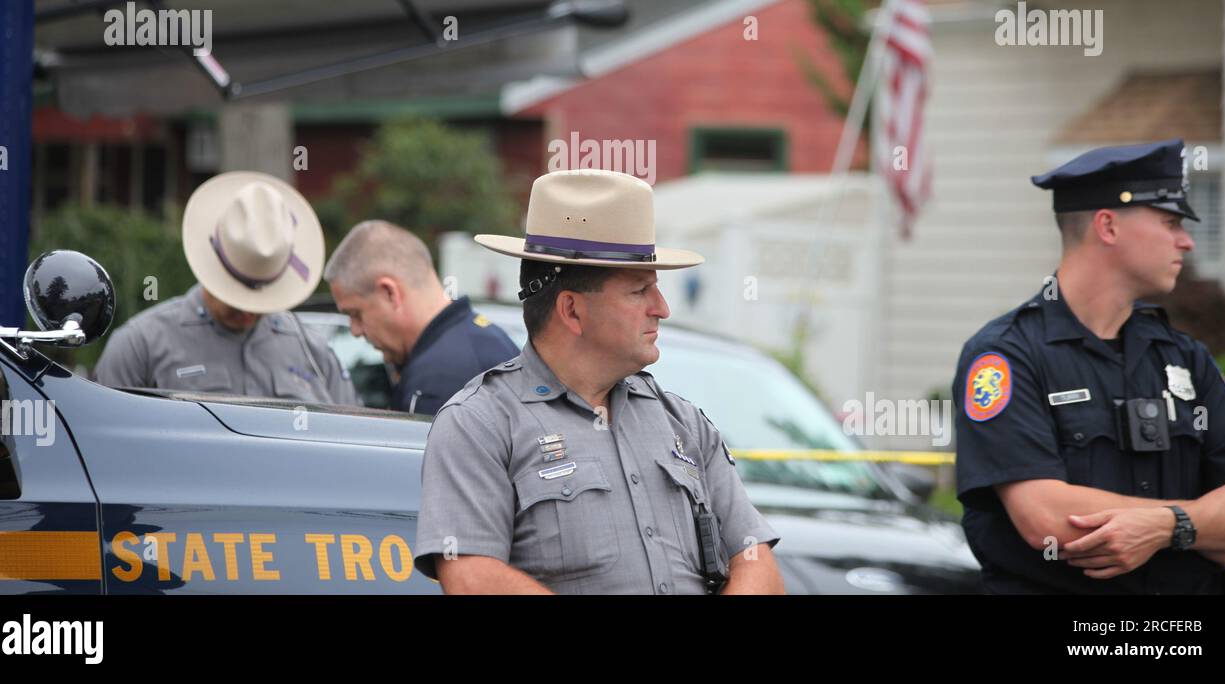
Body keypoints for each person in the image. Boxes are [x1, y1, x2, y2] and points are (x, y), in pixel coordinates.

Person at [414, 168, 784, 594]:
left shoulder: (683, 421)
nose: (661, 308)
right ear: (571, 311)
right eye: (639, 290)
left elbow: (757, 561)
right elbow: (471, 577)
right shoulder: (479, 424)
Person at [952, 139, 1225, 594]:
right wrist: (1201, 524)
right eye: (1170, 222)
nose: (1186, 241)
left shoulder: (1185, 357)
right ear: (1108, 226)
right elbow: (1048, 519)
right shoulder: (1006, 357)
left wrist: (1169, 527)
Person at [94, 171, 358, 406]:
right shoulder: (140, 346)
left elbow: (349, 442)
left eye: (260, 306)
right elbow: (103, 443)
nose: (248, 314)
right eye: (237, 302)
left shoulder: (314, 352)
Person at [324, 219, 519, 415]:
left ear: (390, 293)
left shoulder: (439, 378)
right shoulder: (480, 340)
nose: (355, 331)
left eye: (356, 314)